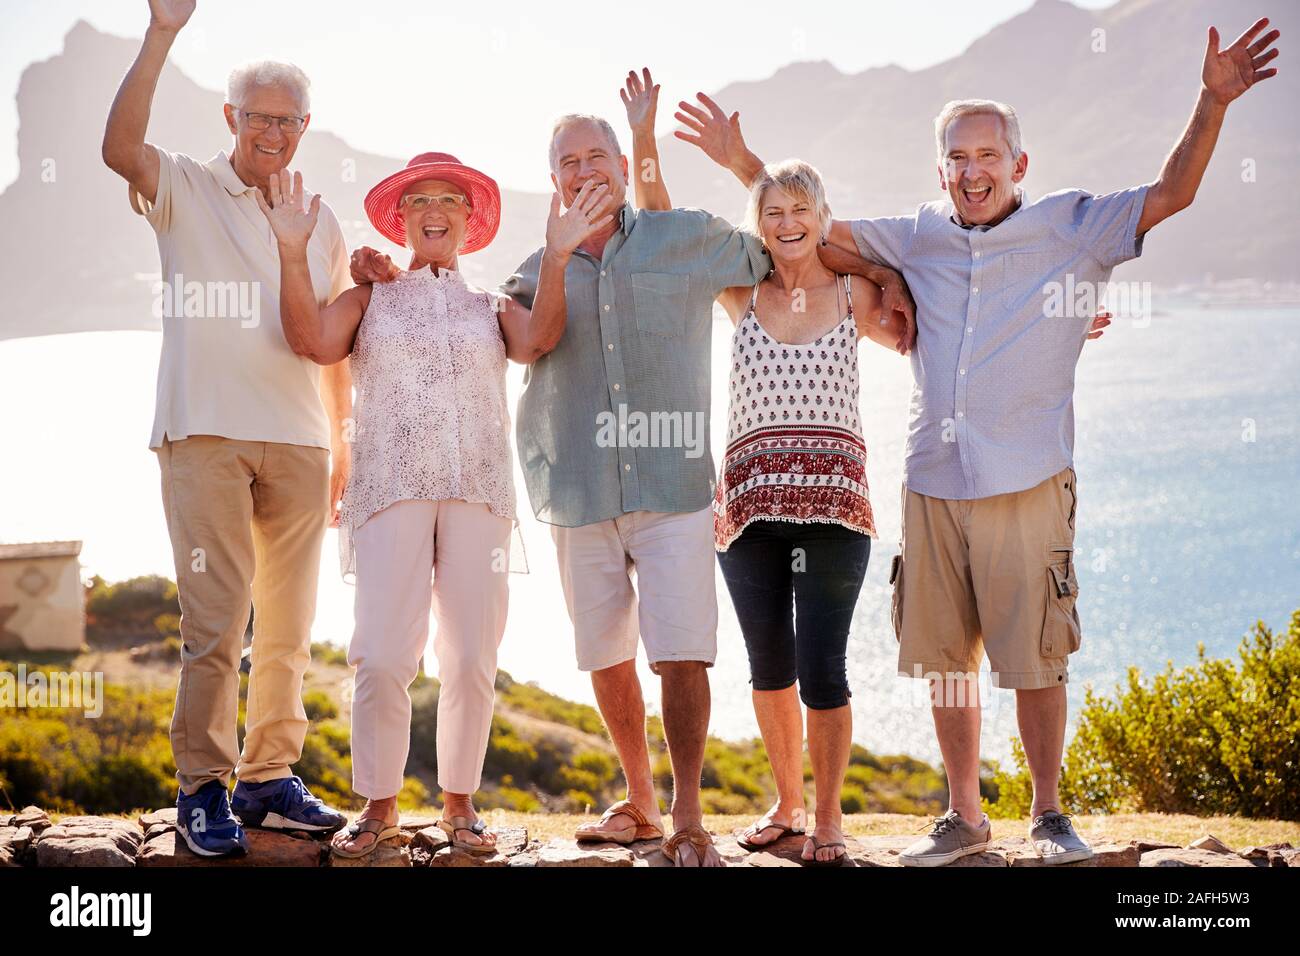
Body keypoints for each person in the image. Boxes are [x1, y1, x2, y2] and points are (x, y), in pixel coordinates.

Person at [675, 15, 1280, 865]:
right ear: (941, 168)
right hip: (933, 477)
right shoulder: (916, 233)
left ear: (1019, 165)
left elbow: (1171, 193)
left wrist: (1211, 102)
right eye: (958, 156)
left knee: (1037, 658)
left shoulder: (1072, 226)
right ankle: (964, 816)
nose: (972, 170)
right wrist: (746, 168)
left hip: (1028, 474)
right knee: (948, 660)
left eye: (988, 155)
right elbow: (807, 234)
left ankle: (1047, 812)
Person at [257, 152, 604, 857]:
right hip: (389, 488)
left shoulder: (491, 308)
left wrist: (561, 255)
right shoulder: (368, 298)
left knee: (473, 654)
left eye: (450, 199)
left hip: (480, 491)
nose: (435, 210)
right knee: (383, 656)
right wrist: (292, 252)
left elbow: (539, 341)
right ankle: (378, 807)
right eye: (420, 201)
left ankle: (460, 807)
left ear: (470, 222)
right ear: (403, 219)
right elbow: (309, 340)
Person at [101, 0, 349, 856]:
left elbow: (331, 339)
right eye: (258, 117)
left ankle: (270, 778)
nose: (273, 132)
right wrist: (162, 33)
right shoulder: (184, 184)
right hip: (203, 432)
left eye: (287, 120)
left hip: (301, 441)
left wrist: (342, 436)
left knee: (287, 626)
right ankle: (201, 787)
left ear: (304, 125)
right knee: (216, 625)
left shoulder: (321, 219)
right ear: (231, 118)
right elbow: (116, 149)